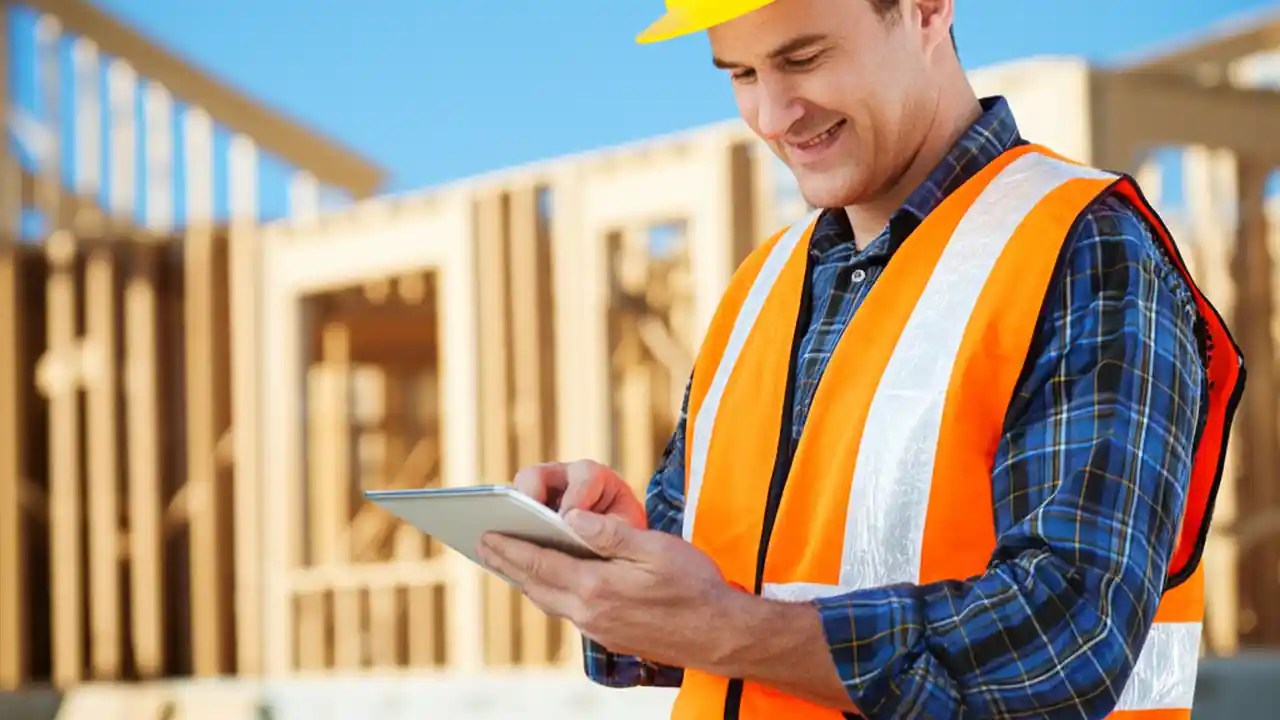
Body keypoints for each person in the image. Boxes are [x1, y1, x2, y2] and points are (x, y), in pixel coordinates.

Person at [475, 0, 1246, 717]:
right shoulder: (761, 287)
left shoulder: (1084, 248)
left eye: (803, 59)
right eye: (742, 75)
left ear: (926, 10)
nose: (772, 116)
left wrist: (724, 627)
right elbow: (718, 617)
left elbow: (1067, 636)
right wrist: (618, 565)